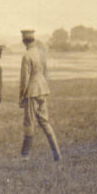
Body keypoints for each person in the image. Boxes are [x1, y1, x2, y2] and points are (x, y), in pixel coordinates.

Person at [18, 29, 61, 161]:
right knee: (45, 122)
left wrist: (22, 96)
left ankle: (25, 156)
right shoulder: (41, 53)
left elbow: (25, 79)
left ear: (24, 41)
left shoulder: (26, 55)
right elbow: (46, 73)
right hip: (43, 90)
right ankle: (57, 154)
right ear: (34, 39)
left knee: (29, 124)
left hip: (32, 92)